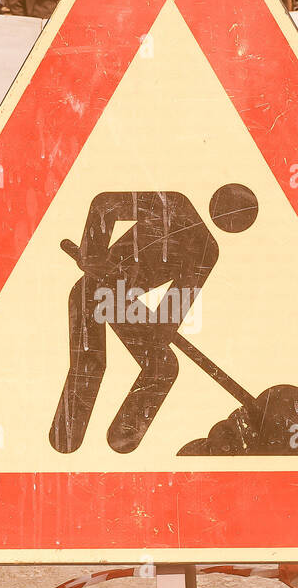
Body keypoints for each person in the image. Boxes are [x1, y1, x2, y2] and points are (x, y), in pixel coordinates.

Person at [50, 185, 258, 454]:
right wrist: (93, 252)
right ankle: (68, 432)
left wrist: (160, 329)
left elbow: (171, 312)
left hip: (120, 294)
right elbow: (105, 204)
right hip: (97, 287)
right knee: (88, 334)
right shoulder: (173, 204)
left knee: (163, 365)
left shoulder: (206, 251)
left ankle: (122, 436)